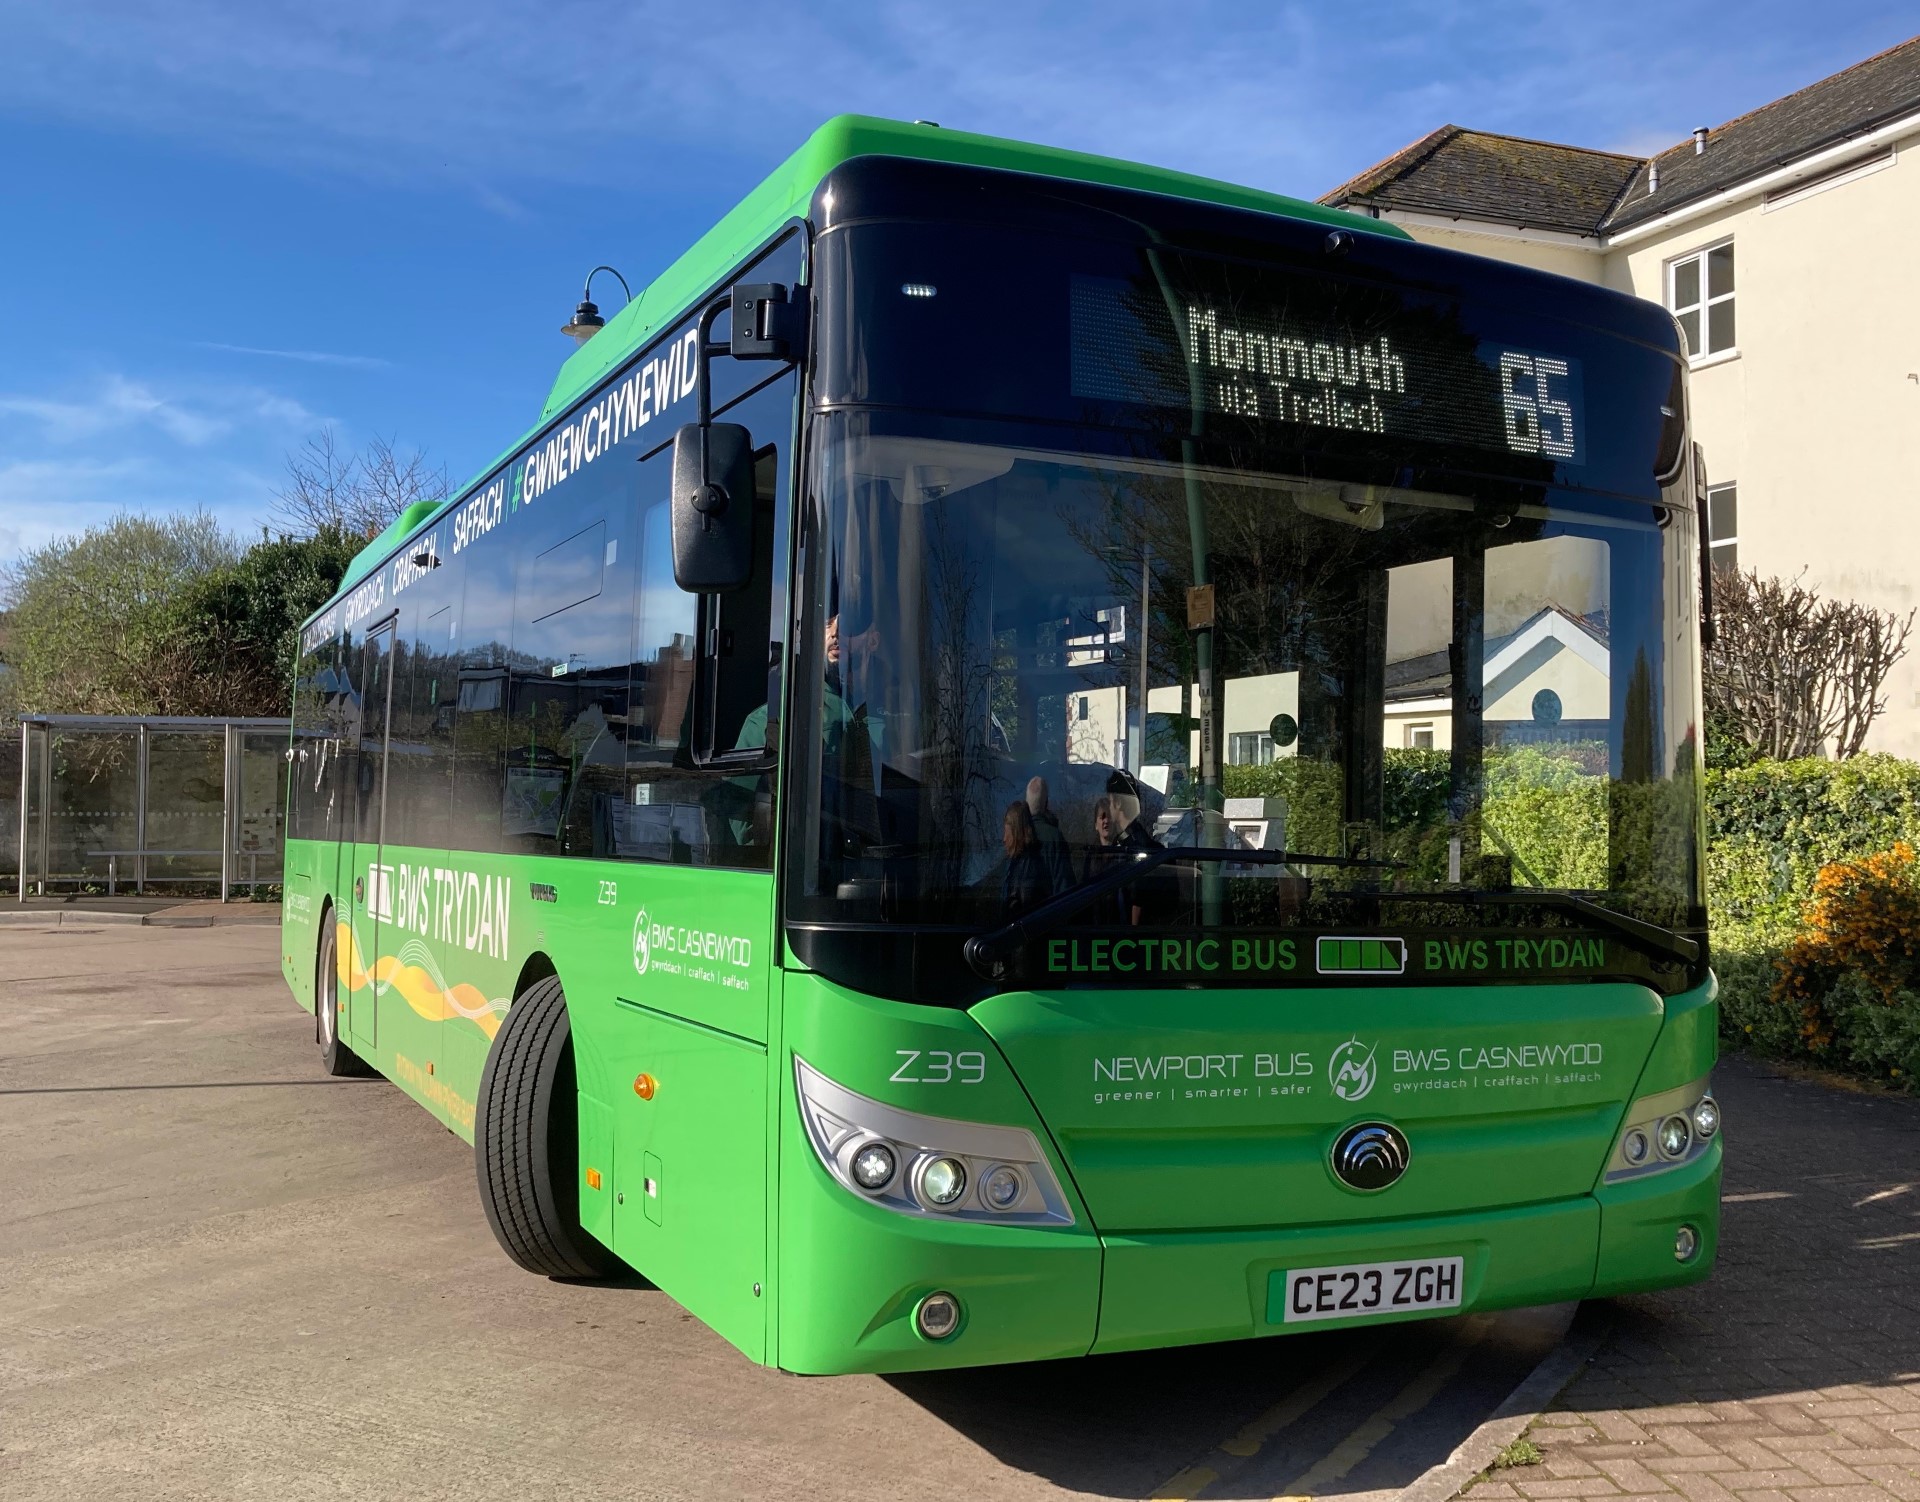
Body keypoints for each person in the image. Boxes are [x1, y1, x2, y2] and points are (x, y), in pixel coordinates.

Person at [1025, 776, 1077, 898]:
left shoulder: (1018, 836)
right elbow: (1065, 888)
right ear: (1047, 803)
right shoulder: (1054, 837)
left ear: (1026, 803)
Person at [1002, 800, 1050, 917]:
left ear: (1016, 833)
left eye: (1006, 833)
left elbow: (1024, 911)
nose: (1004, 839)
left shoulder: (1028, 868)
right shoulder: (1016, 863)